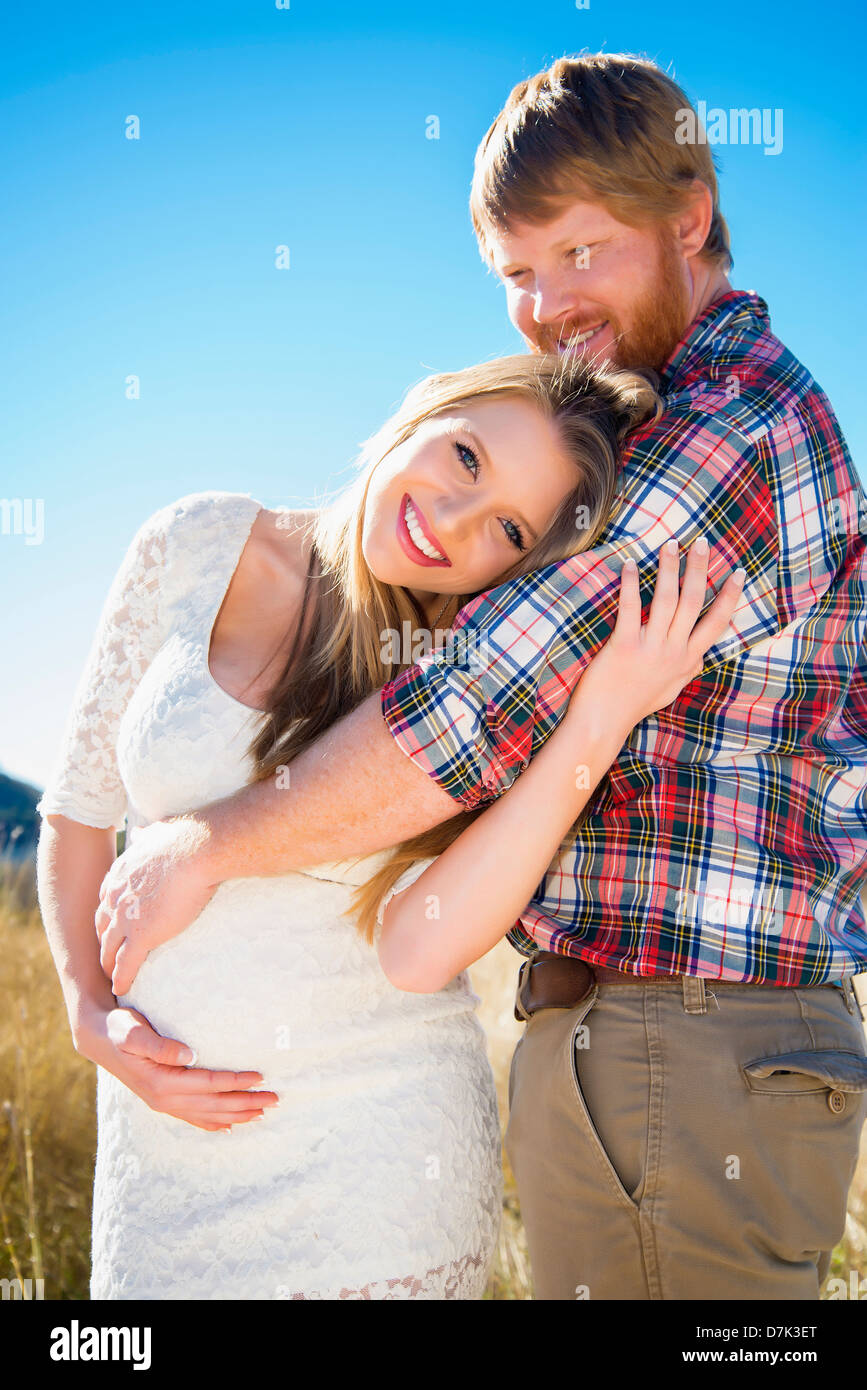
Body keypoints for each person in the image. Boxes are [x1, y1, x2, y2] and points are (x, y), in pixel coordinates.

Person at [75, 54, 867, 1300]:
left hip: (685, 1047)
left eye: (581, 252)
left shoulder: (732, 428)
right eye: (517, 273)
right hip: (648, 1054)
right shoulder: (642, 434)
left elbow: (480, 705)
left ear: (691, 218)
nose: (551, 304)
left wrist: (207, 843)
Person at [36, 349, 737, 1299]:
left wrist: (599, 718)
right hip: (156, 1157)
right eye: (465, 458)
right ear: (426, 405)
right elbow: (78, 809)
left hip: (375, 1170)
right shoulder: (198, 540)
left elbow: (418, 949)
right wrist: (87, 1012)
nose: (448, 522)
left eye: (505, 527)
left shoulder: (465, 675)